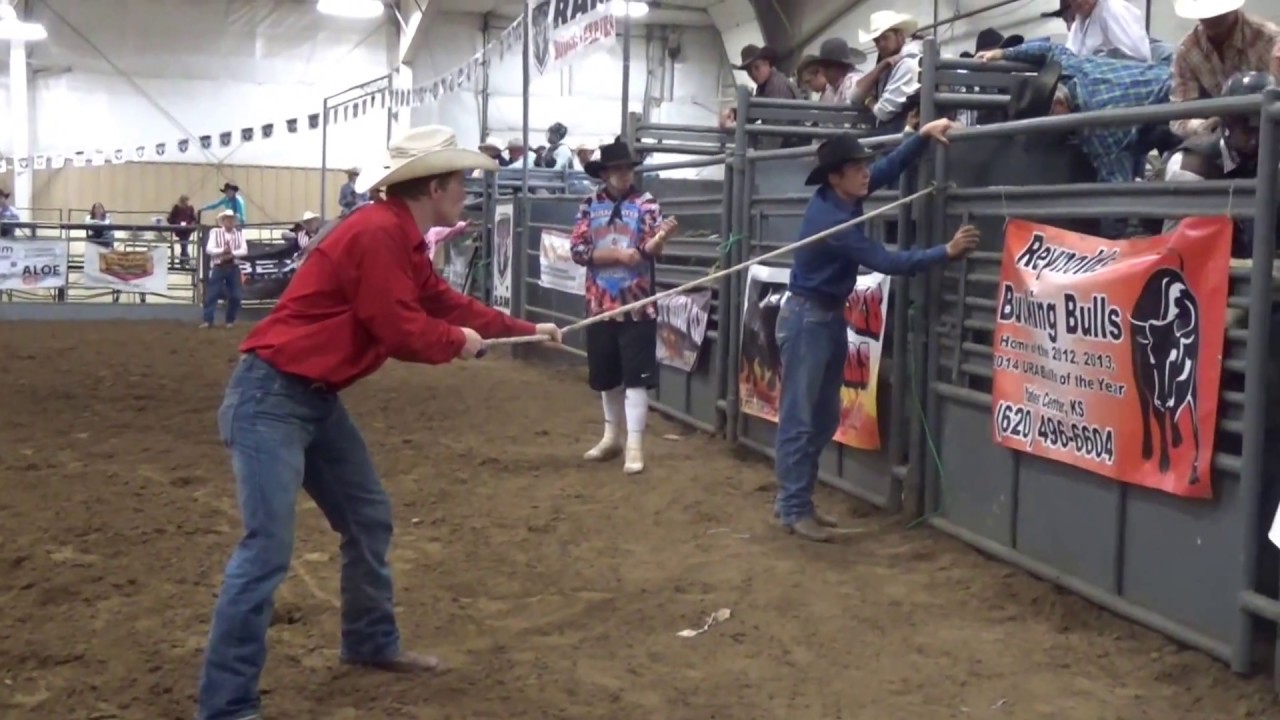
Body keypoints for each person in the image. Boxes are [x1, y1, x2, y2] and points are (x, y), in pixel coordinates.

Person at [195, 125, 560, 720]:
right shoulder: (377, 235)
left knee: (365, 519)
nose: (466, 189)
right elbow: (404, 329)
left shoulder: (393, 235)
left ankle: (368, 642)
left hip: (301, 397)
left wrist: (520, 330)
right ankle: (226, 706)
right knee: (267, 549)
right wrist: (461, 344)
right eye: (461, 181)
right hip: (275, 399)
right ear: (436, 186)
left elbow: (442, 304)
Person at [774, 120, 978, 542]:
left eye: (864, 165)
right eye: (857, 167)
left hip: (822, 316)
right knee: (802, 417)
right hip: (810, 319)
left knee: (820, 415)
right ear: (837, 176)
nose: (867, 172)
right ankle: (793, 505)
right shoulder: (834, 222)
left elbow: (886, 170)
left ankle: (797, 501)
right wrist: (946, 251)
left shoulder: (840, 200)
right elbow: (885, 261)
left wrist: (920, 137)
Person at [570, 140, 678, 475]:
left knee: (635, 377)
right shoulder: (589, 205)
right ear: (604, 173)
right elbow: (578, 249)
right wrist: (618, 255)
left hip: (637, 303)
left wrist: (657, 243)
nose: (623, 174)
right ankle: (611, 436)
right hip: (600, 302)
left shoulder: (646, 203)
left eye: (628, 168)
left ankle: (634, 444)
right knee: (606, 376)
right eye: (617, 169)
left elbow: (651, 250)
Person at [977, 40, 1173, 183]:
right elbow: (1049, 48)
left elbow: (1116, 183)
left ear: (1057, 107)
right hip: (1168, 73)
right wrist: (1004, 53)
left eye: (1050, 125)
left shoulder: (1095, 128)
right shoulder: (1070, 68)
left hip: (1176, 104)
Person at [1168, 0, 1280, 138]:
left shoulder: (1268, 39)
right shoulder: (1187, 51)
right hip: (1221, 135)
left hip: (1269, 131)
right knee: (1181, 159)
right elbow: (1179, 115)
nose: (1211, 19)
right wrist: (1199, 126)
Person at [854, 11, 924, 133]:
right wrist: (882, 65)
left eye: (885, 38)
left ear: (900, 36)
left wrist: (868, 100)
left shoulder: (908, 63)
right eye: (876, 41)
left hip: (901, 138)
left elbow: (883, 112)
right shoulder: (889, 66)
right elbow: (854, 95)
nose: (881, 44)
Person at [201, 209, 247, 329]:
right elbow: (209, 249)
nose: (230, 221)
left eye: (231, 219)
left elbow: (244, 250)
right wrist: (222, 251)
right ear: (223, 221)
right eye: (227, 219)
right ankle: (208, 320)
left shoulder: (239, 233)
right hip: (219, 266)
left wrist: (232, 253)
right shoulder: (215, 232)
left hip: (233, 266)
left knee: (236, 295)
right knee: (212, 294)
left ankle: (230, 320)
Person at [1063, 0, 1151, 61]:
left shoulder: (1113, 10)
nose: (1078, 2)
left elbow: (1139, 57)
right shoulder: (1079, 21)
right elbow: (1070, 55)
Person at [815, 37, 868, 105]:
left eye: (827, 68)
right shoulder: (831, 87)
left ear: (840, 67)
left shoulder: (853, 82)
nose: (824, 73)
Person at [168, 194, 198, 265]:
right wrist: (176, 223)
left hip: (187, 229)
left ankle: (184, 258)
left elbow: (194, 218)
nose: (186, 203)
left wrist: (191, 224)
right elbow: (171, 218)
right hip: (179, 228)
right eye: (184, 201)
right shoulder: (176, 208)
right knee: (184, 242)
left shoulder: (190, 208)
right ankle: (185, 258)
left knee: (184, 242)